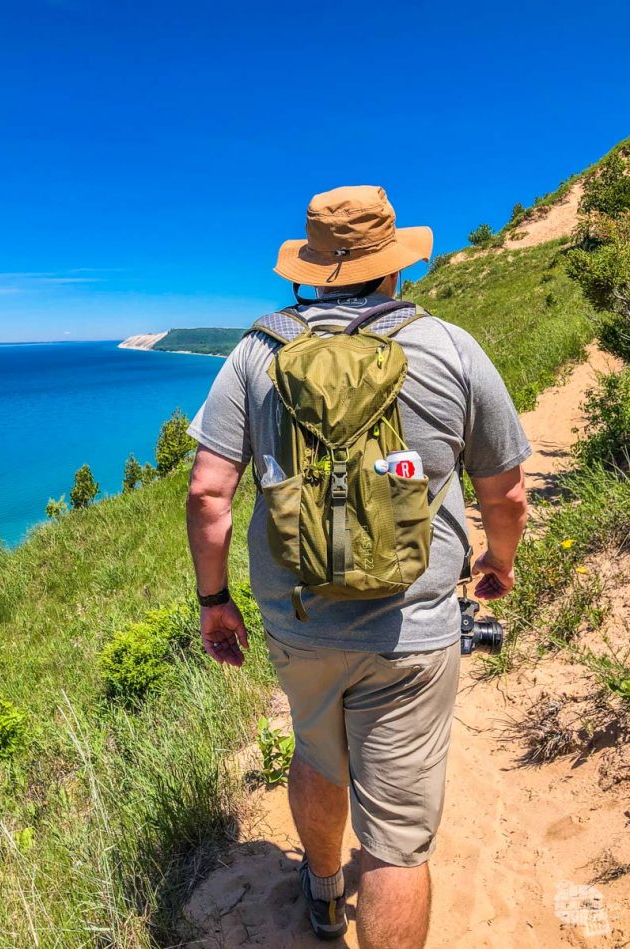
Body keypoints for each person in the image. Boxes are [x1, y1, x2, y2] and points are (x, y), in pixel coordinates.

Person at [186, 186, 530, 948]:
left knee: (316, 750)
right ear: (392, 268)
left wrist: (215, 600)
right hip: (413, 629)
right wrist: (497, 562)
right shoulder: (449, 347)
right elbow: (505, 492)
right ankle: (359, 879)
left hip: (297, 618)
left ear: (309, 268)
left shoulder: (257, 352)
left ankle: (321, 885)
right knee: (398, 841)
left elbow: (209, 491)